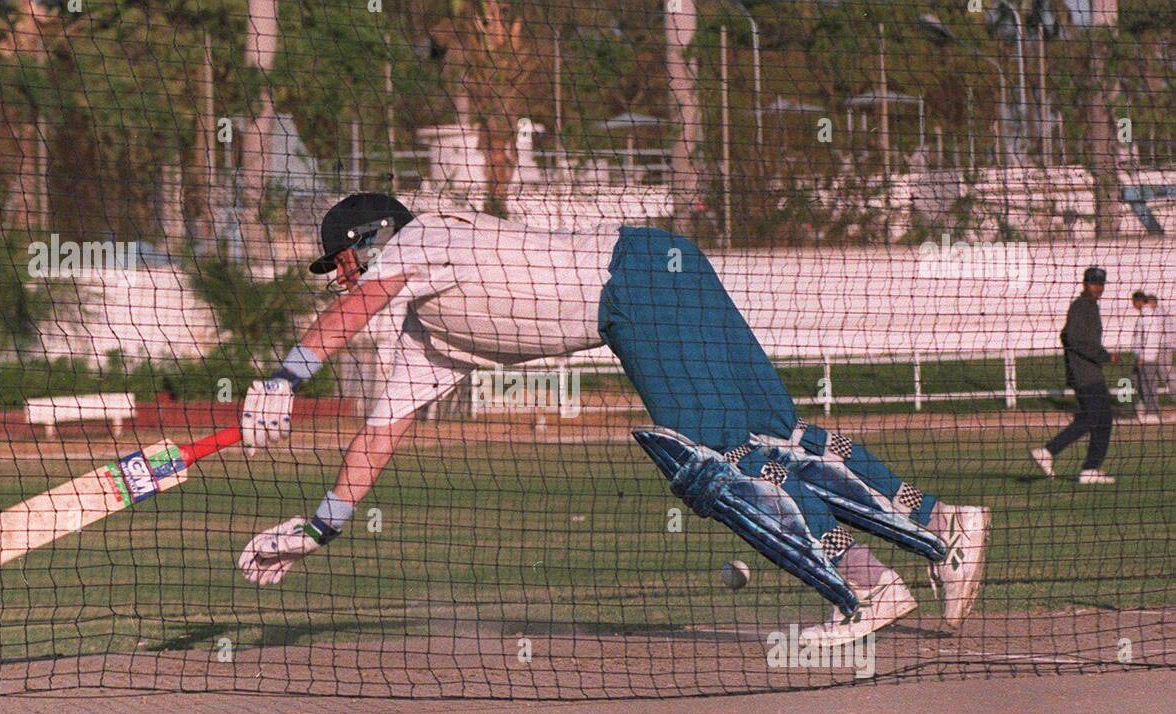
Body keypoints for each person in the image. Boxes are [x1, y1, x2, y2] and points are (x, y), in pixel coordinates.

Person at [236, 193, 992, 645]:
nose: (338, 278)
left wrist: (284, 377)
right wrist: (320, 527)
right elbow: (379, 433)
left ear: (371, 241)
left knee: (712, 468)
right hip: (662, 267)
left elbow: (361, 303)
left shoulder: (422, 236)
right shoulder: (429, 334)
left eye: (339, 262)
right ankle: (940, 525)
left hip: (635, 288)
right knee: (779, 444)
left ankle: (864, 588)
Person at [1030, 267, 1118, 484]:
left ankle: (1089, 469)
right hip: (1085, 374)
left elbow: (1066, 335)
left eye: (1101, 284)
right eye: (1094, 283)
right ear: (1085, 284)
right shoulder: (1081, 306)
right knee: (1095, 417)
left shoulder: (1089, 306)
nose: (1098, 288)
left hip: (1088, 372)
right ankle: (1049, 452)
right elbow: (1072, 337)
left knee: (1102, 418)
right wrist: (1102, 355)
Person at [1130, 291, 1163, 423]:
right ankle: (1142, 405)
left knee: (1148, 384)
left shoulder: (1147, 315)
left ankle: (1153, 412)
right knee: (1135, 381)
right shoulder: (1144, 315)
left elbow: (1149, 337)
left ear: (1138, 301)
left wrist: (1142, 356)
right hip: (1142, 356)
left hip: (1147, 356)